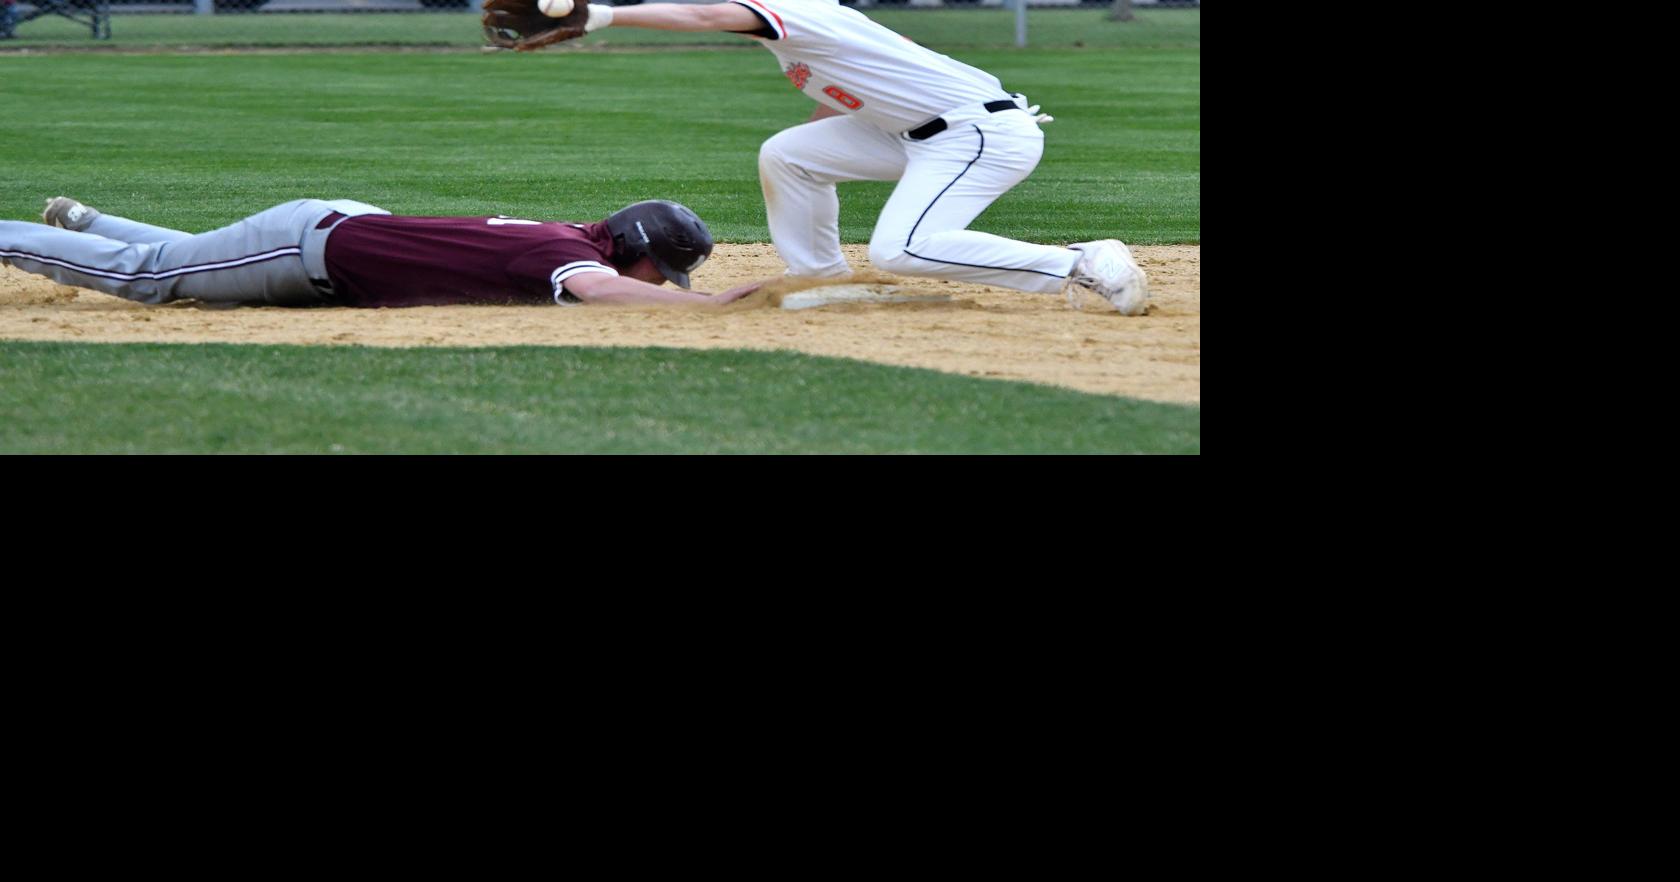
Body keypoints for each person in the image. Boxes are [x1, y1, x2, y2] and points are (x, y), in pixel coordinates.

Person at [560, 0, 1149, 315]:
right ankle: (820, 276)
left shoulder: (800, 11)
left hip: (979, 136)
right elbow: (890, 69)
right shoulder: (807, 28)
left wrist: (602, 15)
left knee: (902, 249)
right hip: (917, 131)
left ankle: (1081, 263)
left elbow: (705, 16)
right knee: (791, 154)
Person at [1, 196, 761, 308]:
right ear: (631, 248)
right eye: (656, 269)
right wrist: (695, 304)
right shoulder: (563, 257)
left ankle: (86, 218)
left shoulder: (560, 237)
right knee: (157, 280)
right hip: (309, 249)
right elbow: (598, 291)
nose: (656, 280)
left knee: (198, 255)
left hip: (333, 230)